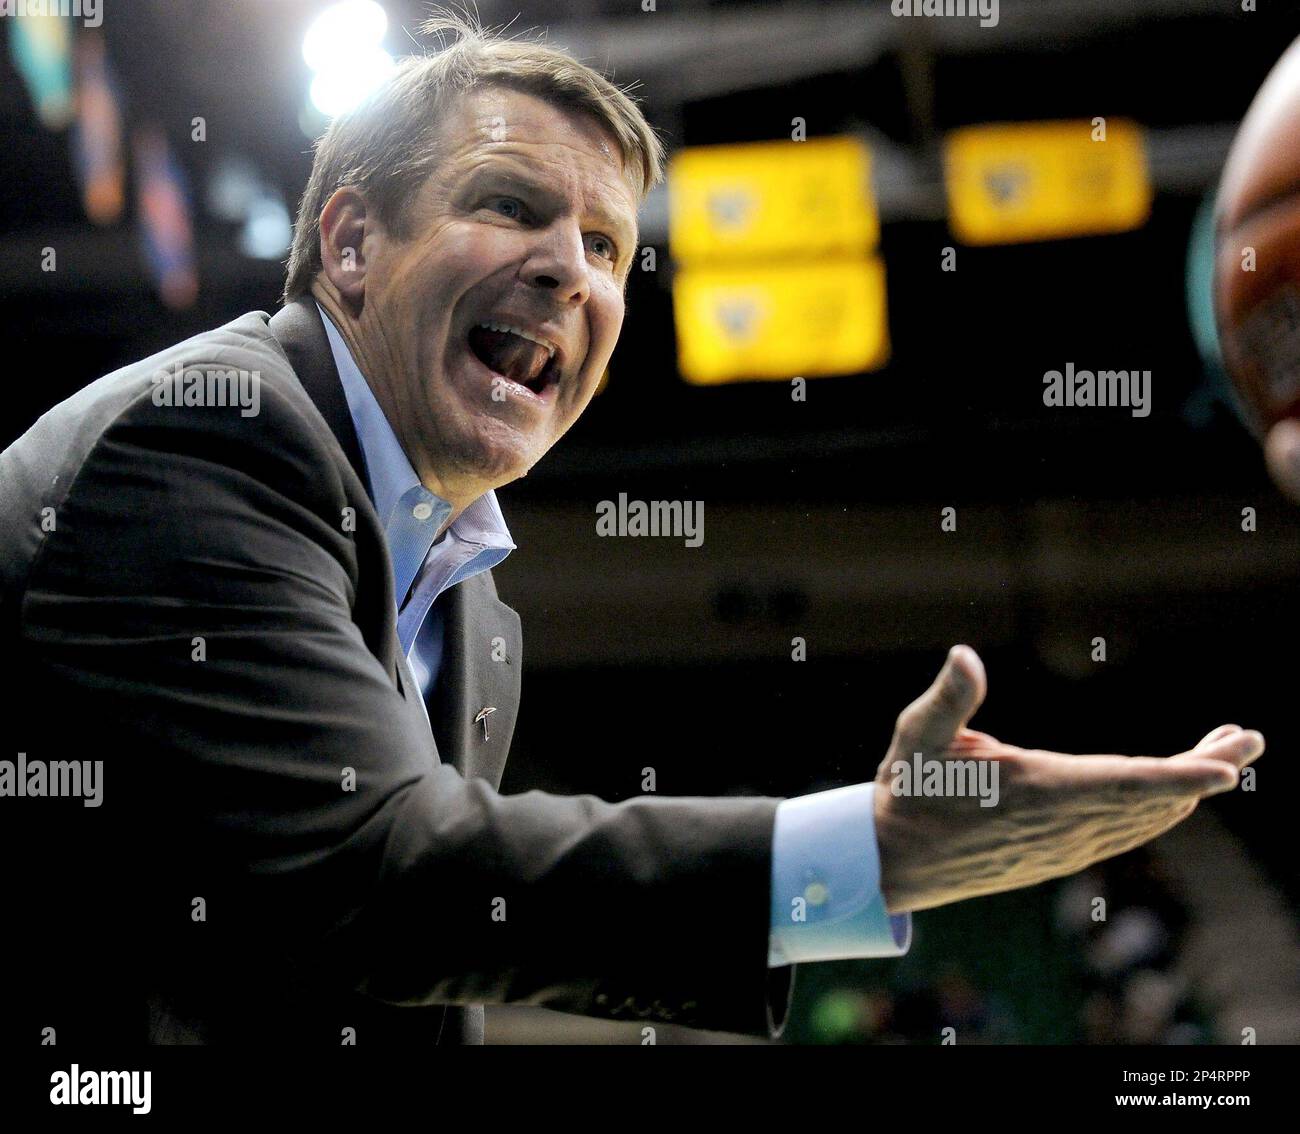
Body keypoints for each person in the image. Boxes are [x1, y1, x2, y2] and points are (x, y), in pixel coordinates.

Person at [0, 15, 1263, 1046]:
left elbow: (381, 970)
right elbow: (381, 878)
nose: (574, 272)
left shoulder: (473, 612)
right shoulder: (211, 439)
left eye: (605, 243)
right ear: (349, 242)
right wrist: (853, 855)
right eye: (508, 207)